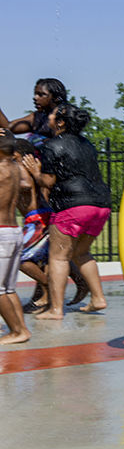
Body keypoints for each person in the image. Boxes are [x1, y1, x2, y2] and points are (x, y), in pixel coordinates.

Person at [20, 103, 111, 319]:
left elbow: (48, 181)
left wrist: (35, 171)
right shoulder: (87, 144)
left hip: (73, 206)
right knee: (81, 253)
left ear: (60, 122)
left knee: (58, 258)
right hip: (100, 205)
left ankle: (56, 309)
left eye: (52, 115)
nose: (48, 117)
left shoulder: (52, 145)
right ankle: (98, 298)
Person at [11, 138, 90, 314]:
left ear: (23, 156)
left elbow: (25, 185)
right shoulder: (24, 167)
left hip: (38, 219)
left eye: (13, 156)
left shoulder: (22, 168)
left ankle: (49, 284)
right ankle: (79, 281)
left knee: (20, 257)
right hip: (35, 219)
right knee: (48, 257)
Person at [0, 132, 31, 343]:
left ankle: (16, 332)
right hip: (13, 230)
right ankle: (21, 329)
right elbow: (27, 183)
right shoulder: (15, 167)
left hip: (1, 233)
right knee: (9, 289)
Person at [0, 78, 68, 147]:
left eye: (41, 94)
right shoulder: (37, 117)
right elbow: (8, 128)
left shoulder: (67, 115)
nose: (35, 98)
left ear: (56, 98)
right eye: (35, 94)